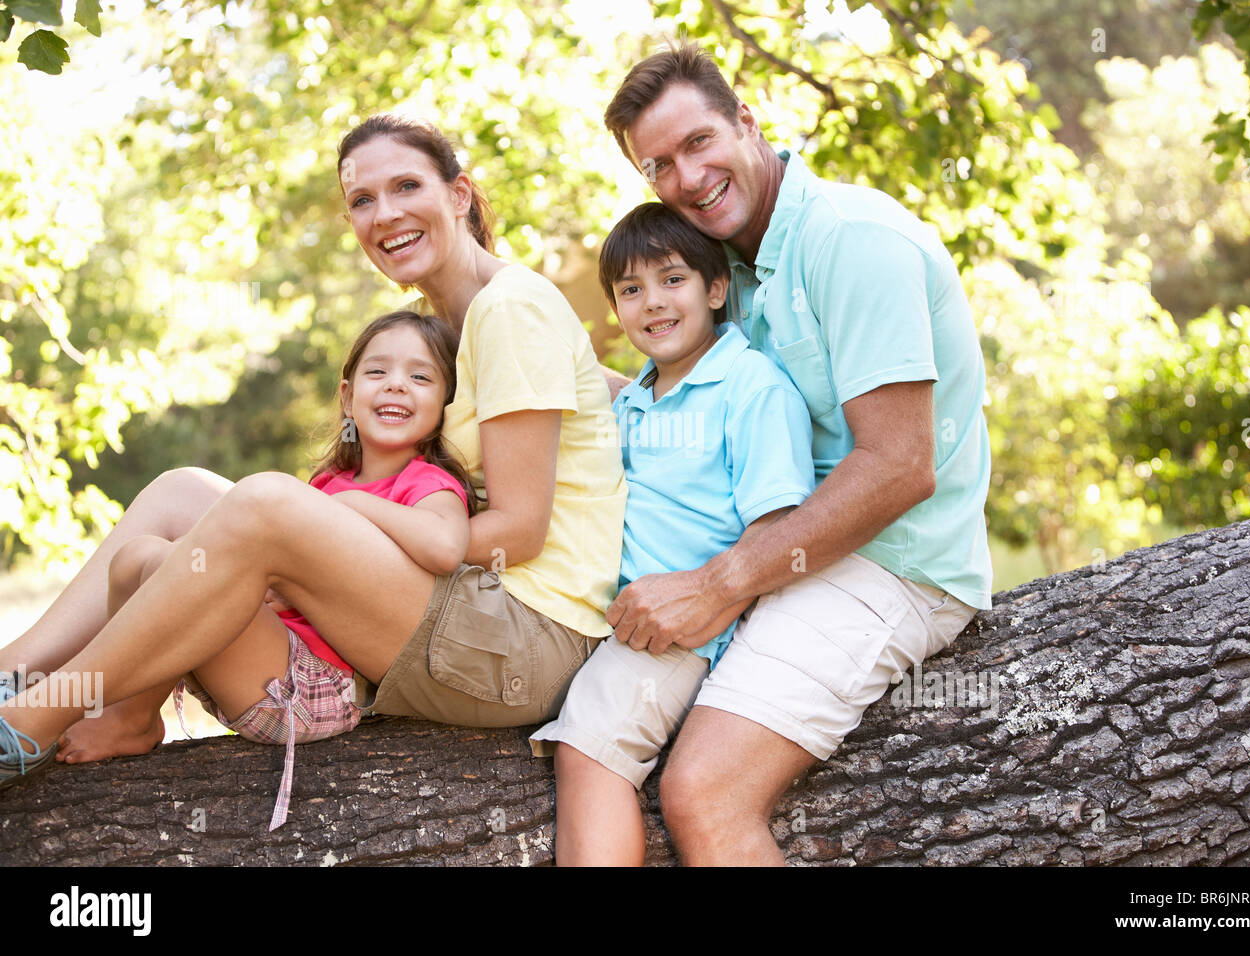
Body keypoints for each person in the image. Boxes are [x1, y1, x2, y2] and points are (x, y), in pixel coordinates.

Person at [0, 115, 627, 814]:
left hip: (523, 640)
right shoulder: (442, 322)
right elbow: (600, 386)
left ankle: (31, 720)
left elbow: (520, 533)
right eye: (363, 200)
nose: (384, 214)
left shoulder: (511, 309)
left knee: (269, 506)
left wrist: (324, 544)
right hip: (462, 612)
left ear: (459, 194)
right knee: (183, 492)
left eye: (406, 186)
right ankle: (14, 672)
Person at [601, 44, 994, 865]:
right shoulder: (726, 266)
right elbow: (662, 398)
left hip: (892, 562)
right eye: (659, 165)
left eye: (700, 141)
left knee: (704, 790)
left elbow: (897, 467)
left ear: (748, 121)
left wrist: (719, 585)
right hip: (791, 551)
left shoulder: (852, 240)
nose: (688, 176)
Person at [3, 309, 474, 827]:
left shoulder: (425, 483)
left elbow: (445, 545)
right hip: (270, 656)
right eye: (378, 372)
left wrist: (354, 509)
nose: (397, 387)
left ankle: (62, 713)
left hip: (314, 689)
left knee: (166, 566)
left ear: (445, 404)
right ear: (347, 396)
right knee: (140, 558)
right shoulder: (327, 484)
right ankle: (129, 717)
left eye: (421, 376)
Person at [529, 202, 814, 865]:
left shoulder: (752, 387)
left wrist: (709, 614)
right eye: (631, 290)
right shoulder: (638, 398)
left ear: (718, 289)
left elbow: (776, 532)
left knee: (591, 753)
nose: (652, 302)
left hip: (683, 631)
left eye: (672, 279)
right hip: (618, 620)